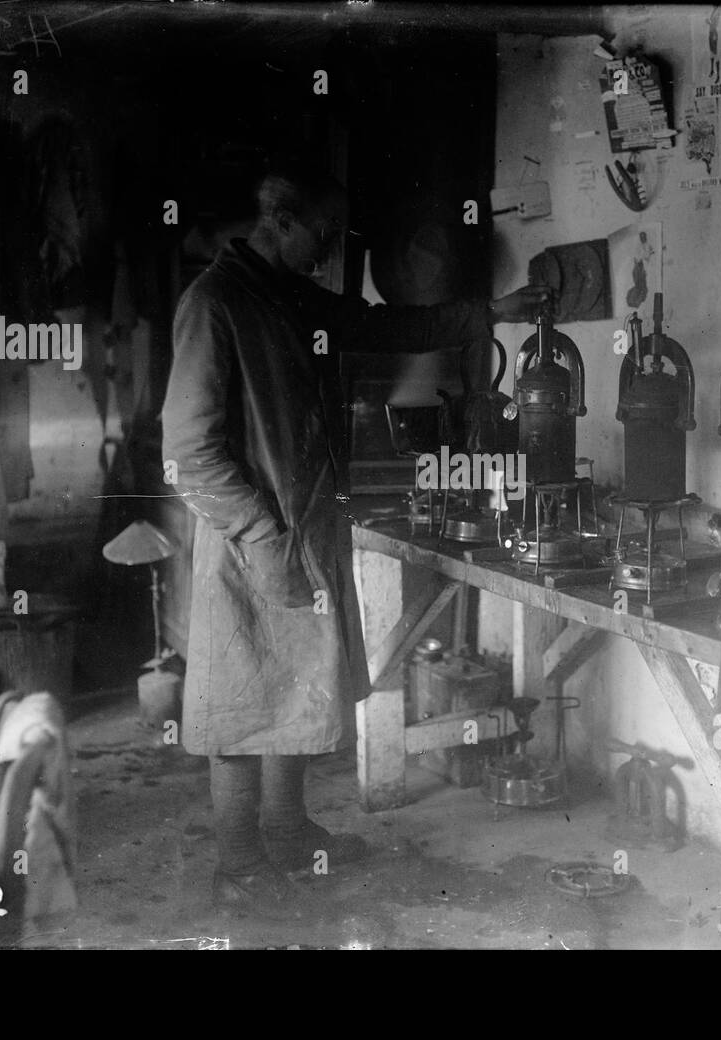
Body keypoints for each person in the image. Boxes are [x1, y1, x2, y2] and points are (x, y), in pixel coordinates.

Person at [161, 157, 550, 919]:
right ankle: (240, 863)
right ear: (281, 221)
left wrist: (491, 310)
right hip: (248, 541)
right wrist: (261, 535)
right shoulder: (215, 303)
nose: (331, 248)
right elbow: (187, 452)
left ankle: (286, 829)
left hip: (305, 527)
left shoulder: (286, 295)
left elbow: (380, 325)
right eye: (324, 232)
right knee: (242, 704)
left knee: (299, 685)